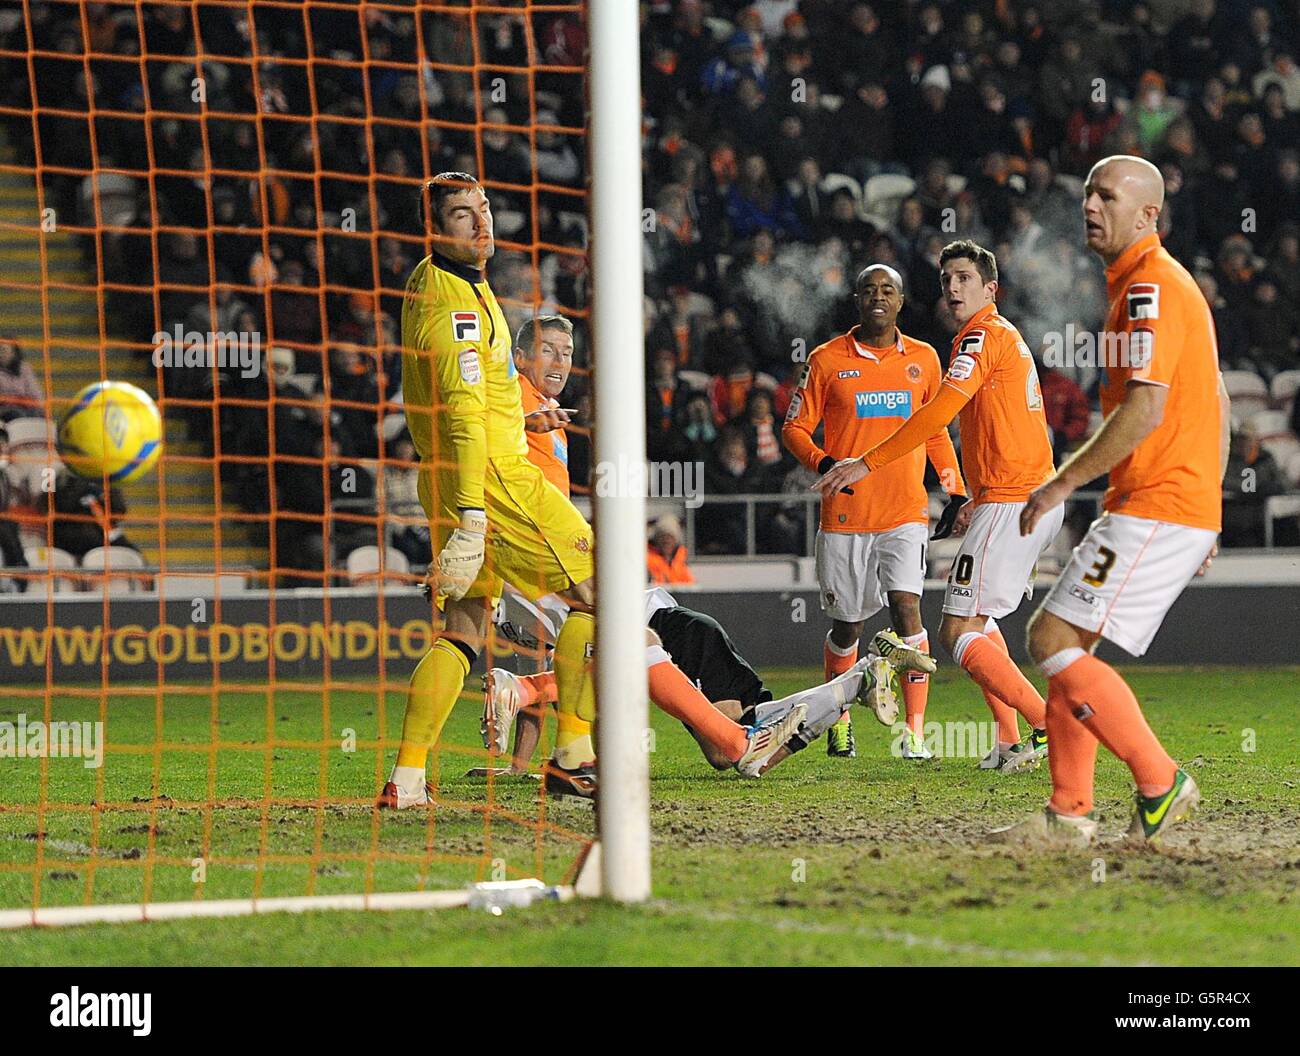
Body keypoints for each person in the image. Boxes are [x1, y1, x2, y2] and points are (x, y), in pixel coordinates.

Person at [382, 174, 796, 808]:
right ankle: (576, 754)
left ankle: (407, 779)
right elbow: (464, 412)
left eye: (484, 208)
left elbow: (456, 404)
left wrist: (516, 423)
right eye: (462, 216)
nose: (481, 222)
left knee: (462, 631)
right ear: (437, 229)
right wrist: (471, 514)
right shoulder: (460, 306)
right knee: (605, 596)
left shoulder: (436, 282)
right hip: (491, 479)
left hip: (449, 472)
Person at [1011, 155, 1229, 848]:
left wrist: (1061, 482)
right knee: (1068, 644)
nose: (1090, 206)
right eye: (1086, 195)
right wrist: (1211, 506)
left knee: (1049, 639)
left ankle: (1160, 781)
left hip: (1157, 500)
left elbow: (1146, 410)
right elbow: (1218, 398)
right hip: (1172, 501)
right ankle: (1069, 813)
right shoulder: (1150, 286)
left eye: (1106, 196)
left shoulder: (1149, 291)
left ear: (1148, 215)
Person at [816, 241, 1061, 773]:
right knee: (982, 622)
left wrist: (866, 463)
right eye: (947, 278)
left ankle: (1048, 725)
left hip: (1013, 499)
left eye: (965, 279)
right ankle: (1008, 738)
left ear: (989, 290)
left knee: (957, 631)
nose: (952, 288)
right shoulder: (1002, 336)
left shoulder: (978, 339)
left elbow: (938, 415)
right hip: (1022, 495)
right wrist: (966, 492)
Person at [783, 264, 966, 761]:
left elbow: (935, 431)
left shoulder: (924, 359)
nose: (879, 297)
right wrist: (825, 462)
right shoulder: (825, 361)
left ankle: (913, 731)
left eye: (888, 289)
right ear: (857, 300)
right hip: (845, 516)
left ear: (902, 301)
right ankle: (839, 718)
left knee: (907, 608)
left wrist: (955, 490)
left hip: (905, 510)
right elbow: (794, 427)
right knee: (848, 627)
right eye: (869, 290)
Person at [482, 587, 936, 777]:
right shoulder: (526, 606)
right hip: (662, 640)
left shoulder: (521, 599)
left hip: (672, 632)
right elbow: (570, 684)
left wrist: (524, 690)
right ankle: (858, 680)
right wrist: (517, 768)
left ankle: (858, 680)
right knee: (729, 752)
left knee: (738, 745)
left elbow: (578, 671)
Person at [513, 314, 575, 496]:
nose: (559, 362)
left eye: (566, 354)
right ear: (520, 358)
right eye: (547, 351)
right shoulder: (510, 392)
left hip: (553, 517)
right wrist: (523, 423)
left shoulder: (553, 412)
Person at [646, 514, 693, 585]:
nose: (667, 541)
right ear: (656, 540)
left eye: (670, 537)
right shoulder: (646, 559)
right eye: (662, 537)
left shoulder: (682, 558)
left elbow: (690, 584)